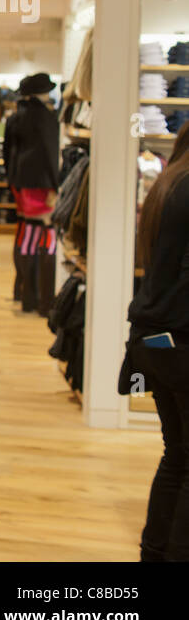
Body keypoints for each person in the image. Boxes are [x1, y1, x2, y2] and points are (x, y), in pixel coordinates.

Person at [125, 124, 189, 561]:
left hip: (155, 339)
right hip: (181, 339)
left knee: (177, 453)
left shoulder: (168, 184)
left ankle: (155, 550)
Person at [3, 72, 60, 315]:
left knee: (26, 234)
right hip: (41, 184)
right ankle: (42, 300)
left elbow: (7, 153)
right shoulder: (45, 118)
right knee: (46, 238)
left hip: (21, 183)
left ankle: (24, 293)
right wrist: (55, 187)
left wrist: (12, 181)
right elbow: (49, 152)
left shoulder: (16, 117)